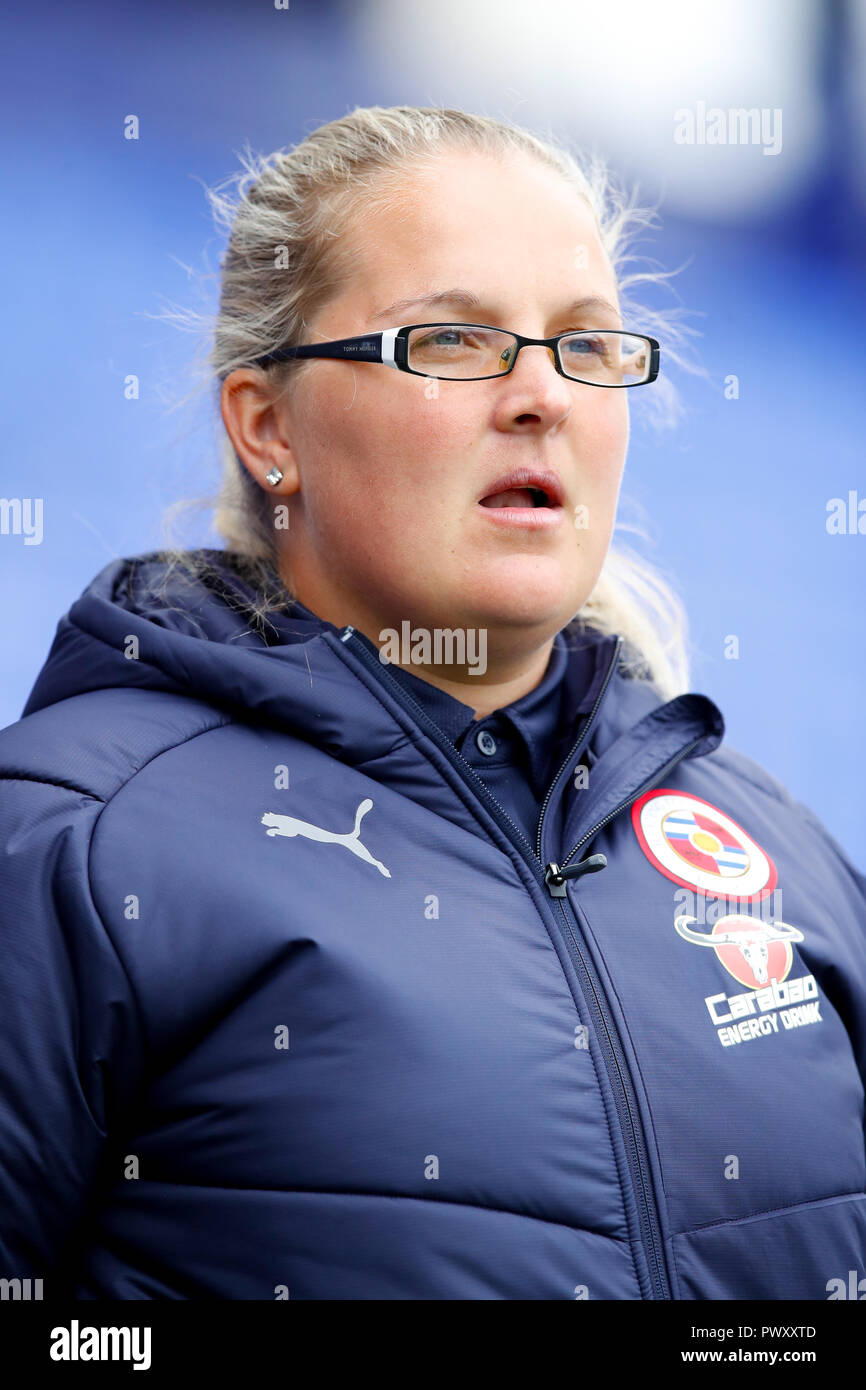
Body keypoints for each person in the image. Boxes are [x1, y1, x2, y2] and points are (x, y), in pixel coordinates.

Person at [1, 105, 864, 1302]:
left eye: (585, 344)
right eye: (451, 340)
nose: (539, 397)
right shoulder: (72, 843)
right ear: (266, 426)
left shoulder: (776, 851)